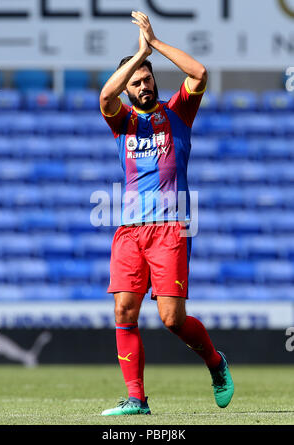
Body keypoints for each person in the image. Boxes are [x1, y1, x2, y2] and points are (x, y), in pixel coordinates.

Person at [99, 11, 234, 416]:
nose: (143, 85)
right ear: (129, 88)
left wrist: (152, 46)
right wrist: (134, 58)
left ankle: (215, 362)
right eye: (135, 81)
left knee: (172, 319)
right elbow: (105, 98)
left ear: (155, 80)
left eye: (147, 78)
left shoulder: (176, 113)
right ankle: (136, 399)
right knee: (124, 309)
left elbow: (200, 71)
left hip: (170, 229)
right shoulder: (122, 122)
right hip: (129, 231)